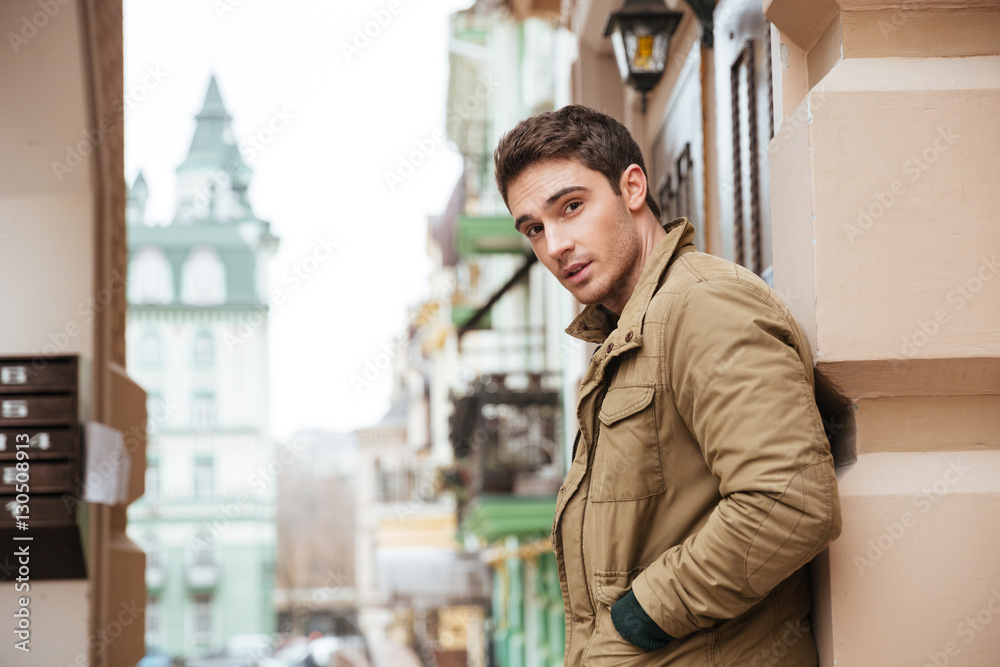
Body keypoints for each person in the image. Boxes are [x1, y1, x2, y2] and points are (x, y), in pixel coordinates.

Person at [493, 105, 842, 666]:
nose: (555, 244)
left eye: (572, 207)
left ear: (632, 187)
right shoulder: (626, 337)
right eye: (534, 228)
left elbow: (788, 502)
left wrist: (636, 621)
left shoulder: (702, 305)